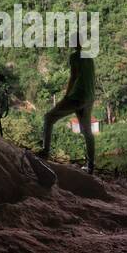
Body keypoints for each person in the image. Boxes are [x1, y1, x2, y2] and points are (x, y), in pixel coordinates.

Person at [40, 40, 96, 173]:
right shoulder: (89, 56)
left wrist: (66, 96)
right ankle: (91, 165)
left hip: (76, 97)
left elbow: (74, 76)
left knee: (48, 118)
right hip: (89, 98)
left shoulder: (74, 56)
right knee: (87, 132)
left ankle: (45, 153)